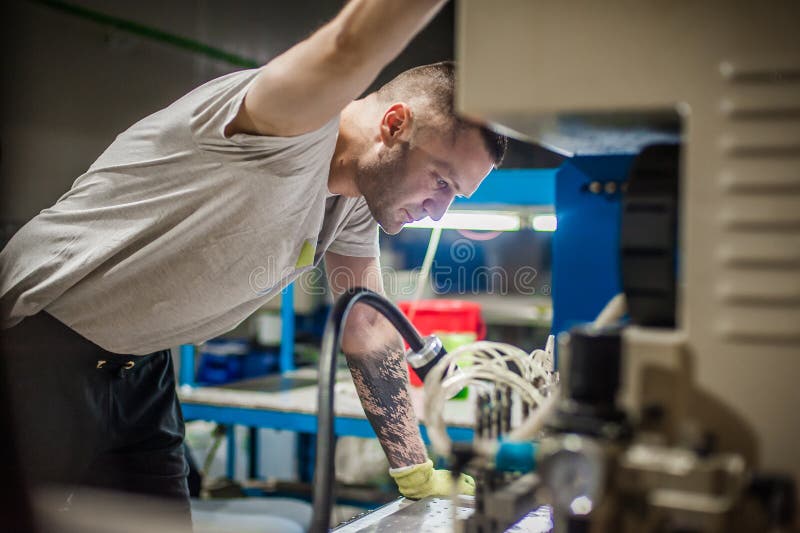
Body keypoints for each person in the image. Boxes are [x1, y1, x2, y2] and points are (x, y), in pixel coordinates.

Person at [0, 0, 506, 527]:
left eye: (457, 196)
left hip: (140, 367)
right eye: (441, 180)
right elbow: (345, 48)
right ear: (395, 123)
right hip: (34, 348)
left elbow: (369, 326)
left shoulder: (355, 202)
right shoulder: (289, 127)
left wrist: (415, 472)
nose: (438, 209)